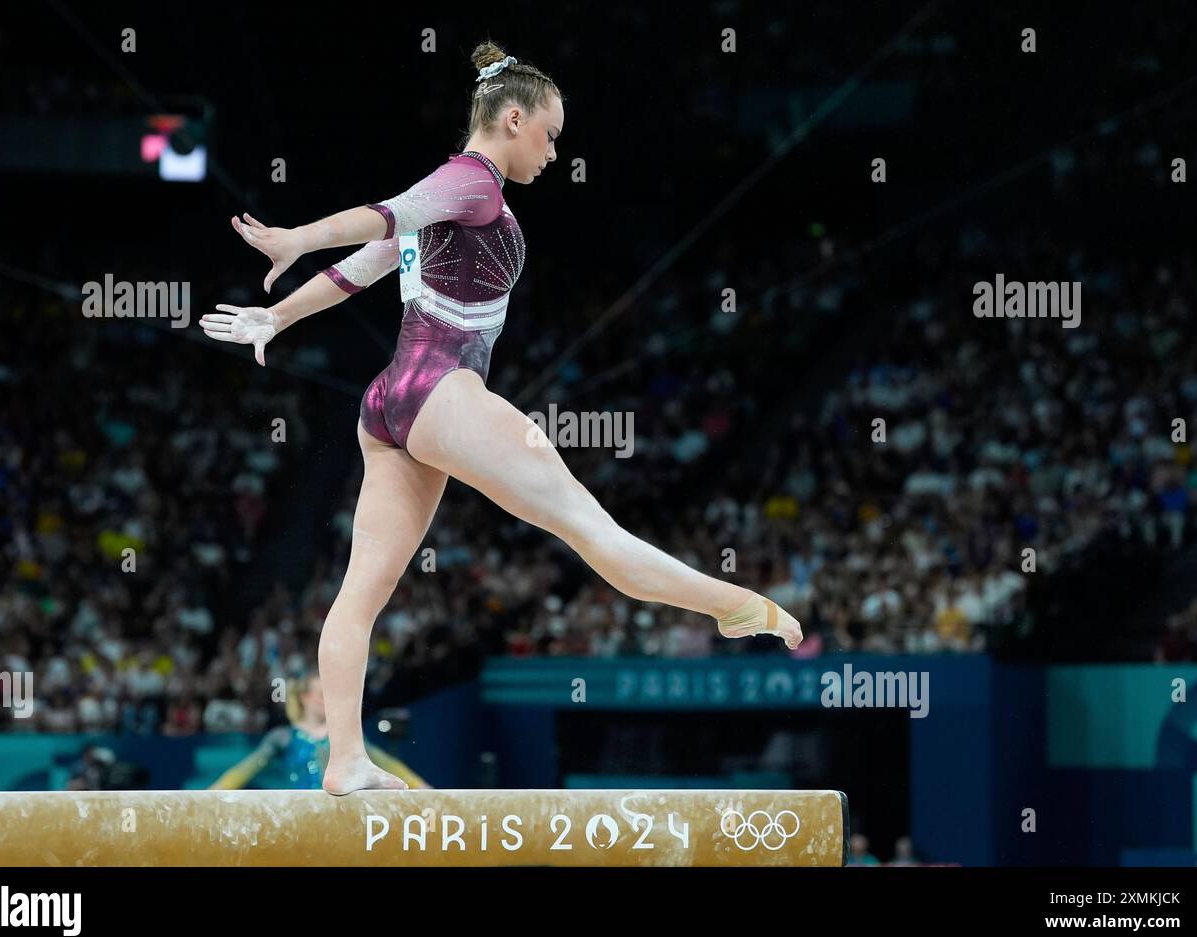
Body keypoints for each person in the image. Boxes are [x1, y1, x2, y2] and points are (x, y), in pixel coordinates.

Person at [201, 41, 802, 794]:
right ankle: (734, 607)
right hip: (443, 389)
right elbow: (380, 218)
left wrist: (277, 319)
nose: (554, 152)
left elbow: (364, 269)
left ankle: (347, 761)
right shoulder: (473, 182)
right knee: (594, 533)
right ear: (511, 118)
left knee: (359, 598)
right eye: (549, 135)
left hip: (389, 402)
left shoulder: (458, 199)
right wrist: (296, 238)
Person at [209, 670, 427, 790]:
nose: (328, 700)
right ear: (304, 698)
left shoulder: (345, 736)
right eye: (322, 694)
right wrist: (211, 794)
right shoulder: (282, 737)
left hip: (337, 813)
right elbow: (244, 769)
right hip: (301, 814)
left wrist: (422, 787)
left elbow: (385, 762)